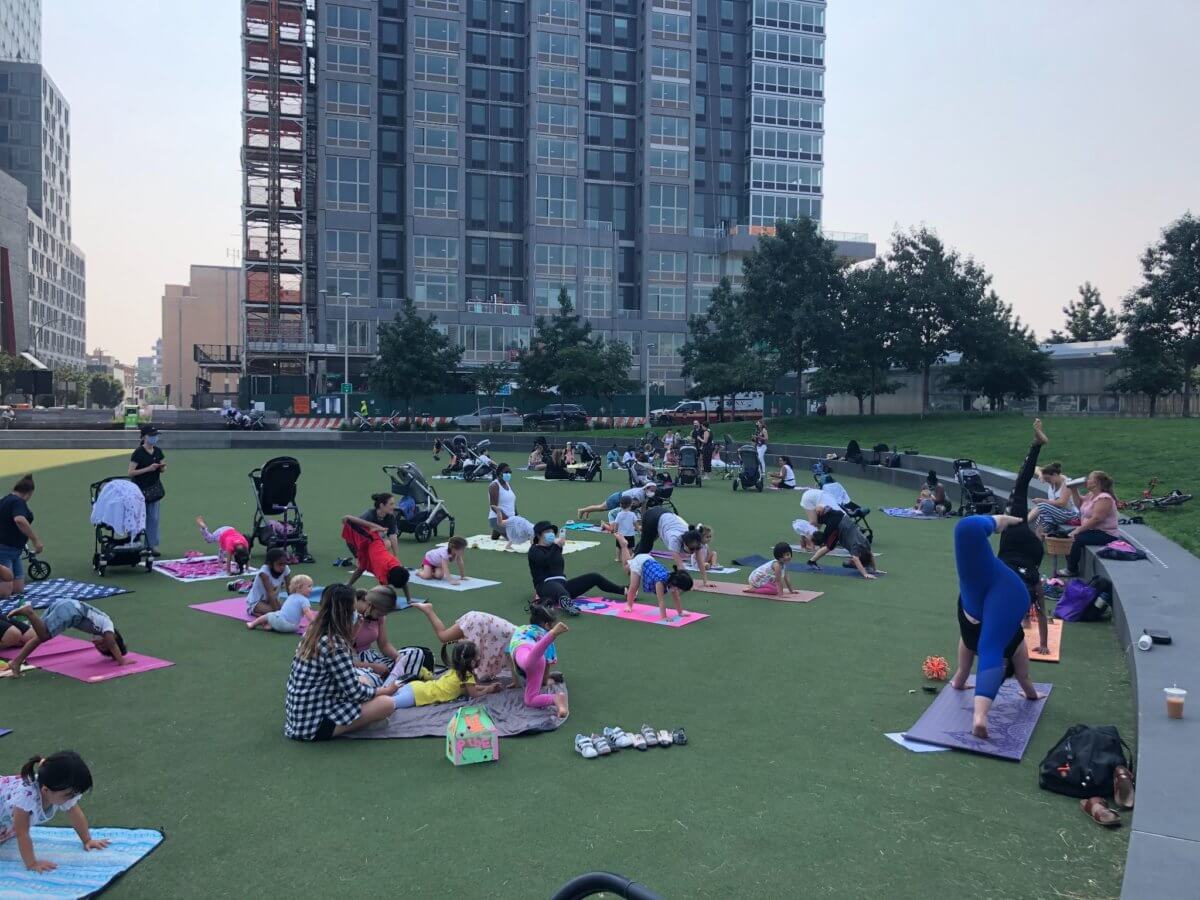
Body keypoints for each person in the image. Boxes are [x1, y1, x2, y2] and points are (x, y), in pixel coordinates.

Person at [950, 515, 1047, 739]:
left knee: (989, 646)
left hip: (1000, 596)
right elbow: (1023, 678)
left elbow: (962, 673)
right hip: (1006, 588)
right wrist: (1032, 695)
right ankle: (1004, 520)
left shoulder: (971, 641)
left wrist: (958, 684)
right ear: (1007, 665)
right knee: (967, 528)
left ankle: (980, 718)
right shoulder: (1015, 644)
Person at [283, 583, 400, 741]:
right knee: (386, 703)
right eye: (353, 609)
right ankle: (361, 723)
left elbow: (343, 674)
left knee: (365, 680)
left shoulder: (314, 631)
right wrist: (386, 691)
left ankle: (361, 720)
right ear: (344, 612)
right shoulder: (334, 645)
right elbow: (355, 692)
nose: (357, 613)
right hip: (314, 725)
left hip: (300, 716)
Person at [0, 751, 109, 873]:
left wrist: (87, 840)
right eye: (69, 795)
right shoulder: (25, 799)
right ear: (45, 790)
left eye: (75, 794)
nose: (72, 798)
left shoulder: (62, 792)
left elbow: (75, 814)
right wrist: (32, 863)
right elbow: (22, 833)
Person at [996, 419, 1051, 654]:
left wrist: (1044, 644)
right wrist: (1044, 646)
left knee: (1020, 488)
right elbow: (1041, 613)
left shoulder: (1031, 585)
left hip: (1032, 550)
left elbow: (1041, 613)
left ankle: (1037, 445)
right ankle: (1036, 445)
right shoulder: (1009, 586)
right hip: (1014, 542)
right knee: (1019, 487)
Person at [3, 598, 131, 678]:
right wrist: (121, 661)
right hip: (71, 611)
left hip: (66, 604)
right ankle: (29, 612)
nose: (96, 644)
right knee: (44, 635)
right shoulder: (108, 625)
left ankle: (16, 662)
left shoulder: (100, 629)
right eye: (102, 645)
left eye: (98, 647)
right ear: (114, 636)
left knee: (39, 637)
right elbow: (112, 643)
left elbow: (111, 643)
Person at [527, 521, 626, 613]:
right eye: (548, 532)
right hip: (545, 585)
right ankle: (567, 605)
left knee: (594, 577)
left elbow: (555, 563)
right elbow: (544, 561)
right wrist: (557, 546)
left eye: (552, 531)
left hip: (563, 584)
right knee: (560, 591)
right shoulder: (534, 550)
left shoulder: (555, 547)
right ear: (539, 535)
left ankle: (624, 590)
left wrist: (557, 546)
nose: (552, 534)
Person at [410, 603, 517, 682]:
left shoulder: (517, 638)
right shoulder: (518, 643)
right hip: (477, 623)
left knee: (444, 636)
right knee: (472, 657)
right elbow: (476, 658)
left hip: (476, 619)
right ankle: (428, 610)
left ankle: (428, 610)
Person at [391, 640, 501, 709]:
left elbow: (471, 687)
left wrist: (486, 687)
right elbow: (474, 694)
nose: (479, 659)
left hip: (415, 687)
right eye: (477, 657)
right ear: (471, 661)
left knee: (382, 698)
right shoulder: (467, 676)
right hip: (417, 696)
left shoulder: (456, 671)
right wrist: (488, 690)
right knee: (387, 705)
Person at [507, 614, 570, 717]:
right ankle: (556, 698)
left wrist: (515, 680)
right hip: (537, 660)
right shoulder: (540, 633)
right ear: (546, 625)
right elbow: (547, 663)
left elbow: (509, 653)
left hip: (527, 655)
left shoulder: (522, 628)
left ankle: (553, 634)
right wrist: (544, 681)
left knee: (528, 662)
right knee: (529, 700)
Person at [340, 514, 413, 603]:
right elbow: (386, 592)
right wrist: (393, 604)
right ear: (389, 576)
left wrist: (409, 600)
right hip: (370, 540)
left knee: (361, 568)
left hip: (374, 551)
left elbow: (404, 583)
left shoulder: (397, 565)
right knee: (348, 521)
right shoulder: (383, 572)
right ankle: (351, 518)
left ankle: (348, 584)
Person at [1060, 470, 1120, 577]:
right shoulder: (1091, 495)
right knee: (1063, 534)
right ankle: (1071, 566)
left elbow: (1096, 519)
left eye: (1090, 478)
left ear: (1096, 482)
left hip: (1106, 534)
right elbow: (1079, 505)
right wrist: (1074, 490)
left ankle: (1072, 569)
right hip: (1093, 530)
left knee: (1074, 538)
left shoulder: (1104, 498)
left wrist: (1077, 530)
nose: (1087, 481)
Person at [631, 507, 707, 581]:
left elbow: (700, 561)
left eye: (696, 549)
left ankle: (635, 553)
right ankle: (631, 565)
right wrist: (688, 584)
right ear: (684, 543)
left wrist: (705, 582)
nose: (694, 551)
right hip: (652, 517)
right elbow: (680, 566)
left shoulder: (696, 539)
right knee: (646, 547)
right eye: (691, 549)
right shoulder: (675, 540)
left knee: (648, 540)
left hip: (665, 515)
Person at [0, 475, 42, 599]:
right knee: (4, 593)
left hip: (14, 550)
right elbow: (19, 520)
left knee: (17, 589)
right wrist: (36, 540)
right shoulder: (18, 502)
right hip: (4, 550)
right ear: (29, 493)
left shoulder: (5, 500)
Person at [809, 504, 877, 579]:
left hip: (842, 516)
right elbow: (856, 559)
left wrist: (875, 570)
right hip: (837, 525)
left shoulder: (866, 543)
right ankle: (812, 557)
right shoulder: (856, 547)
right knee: (823, 540)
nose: (850, 560)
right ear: (860, 556)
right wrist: (865, 574)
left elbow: (870, 554)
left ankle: (812, 561)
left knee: (830, 546)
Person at [128, 424, 165, 557]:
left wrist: (161, 468)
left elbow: (162, 466)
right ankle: (135, 543)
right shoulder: (138, 452)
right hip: (139, 490)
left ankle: (151, 546)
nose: (154, 438)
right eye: (151, 436)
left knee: (153, 518)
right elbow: (131, 472)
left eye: (155, 436)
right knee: (137, 517)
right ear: (144, 437)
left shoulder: (158, 451)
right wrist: (148, 469)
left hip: (154, 489)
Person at [624, 553, 693, 620]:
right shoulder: (660, 582)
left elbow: (676, 597)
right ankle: (629, 605)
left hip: (649, 560)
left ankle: (628, 565)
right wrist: (664, 617)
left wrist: (680, 612)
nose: (678, 591)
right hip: (639, 562)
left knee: (675, 593)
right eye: (680, 589)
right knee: (634, 586)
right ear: (676, 584)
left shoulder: (674, 581)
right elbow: (661, 600)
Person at [247, 573, 315, 633]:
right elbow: (308, 614)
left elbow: (285, 611)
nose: (311, 589)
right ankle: (271, 625)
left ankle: (253, 624)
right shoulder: (304, 600)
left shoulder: (291, 596)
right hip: (292, 628)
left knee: (269, 615)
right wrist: (315, 624)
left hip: (284, 624)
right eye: (309, 586)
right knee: (274, 616)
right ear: (299, 587)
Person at [1030, 461, 1079, 534]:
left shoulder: (1067, 483)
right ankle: (1038, 542)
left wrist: (1042, 500)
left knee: (1041, 506)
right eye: (1045, 479)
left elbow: (1062, 503)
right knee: (1041, 518)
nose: (1046, 481)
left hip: (1071, 515)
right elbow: (1035, 468)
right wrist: (1041, 475)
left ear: (1055, 475)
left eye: (1048, 478)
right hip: (1057, 512)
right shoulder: (1052, 480)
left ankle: (1022, 522)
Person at [245, 547, 291, 618]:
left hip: (273, 599)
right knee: (277, 613)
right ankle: (252, 610)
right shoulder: (264, 573)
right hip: (257, 601)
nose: (283, 567)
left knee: (286, 611)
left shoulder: (286, 569)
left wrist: (294, 605)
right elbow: (270, 593)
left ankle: (266, 614)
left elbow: (290, 588)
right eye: (280, 564)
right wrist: (278, 614)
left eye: (285, 564)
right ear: (270, 564)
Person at [576, 482, 655, 520]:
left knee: (600, 508)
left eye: (654, 490)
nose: (653, 492)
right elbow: (632, 506)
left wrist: (643, 519)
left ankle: (587, 511)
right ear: (646, 488)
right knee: (601, 508)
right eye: (652, 490)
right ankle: (582, 510)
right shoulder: (639, 493)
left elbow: (643, 508)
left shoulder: (646, 496)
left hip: (622, 500)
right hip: (617, 498)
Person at [360, 493, 401, 559]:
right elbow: (355, 534)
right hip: (361, 543)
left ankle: (374, 559)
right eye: (391, 504)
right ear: (382, 505)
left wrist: (396, 558)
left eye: (393, 504)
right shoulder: (369, 515)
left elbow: (393, 537)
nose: (394, 507)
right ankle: (362, 558)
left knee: (387, 543)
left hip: (374, 542)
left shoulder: (390, 517)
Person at [602, 494, 639, 567]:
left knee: (618, 546)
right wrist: (638, 530)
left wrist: (615, 531)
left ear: (620, 505)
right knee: (630, 547)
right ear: (631, 504)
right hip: (630, 534)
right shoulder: (632, 514)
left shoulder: (619, 514)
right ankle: (630, 558)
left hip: (621, 534)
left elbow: (616, 524)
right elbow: (635, 524)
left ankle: (617, 558)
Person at [488, 463, 518, 539]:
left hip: (510, 519)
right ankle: (498, 527)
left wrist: (517, 516)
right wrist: (508, 520)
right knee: (516, 538)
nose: (508, 474)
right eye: (506, 472)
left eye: (510, 472)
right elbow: (493, 507)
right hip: (497, 519)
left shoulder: (508, 484)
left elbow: (512, 502)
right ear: (499, 473)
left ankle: (498, 530)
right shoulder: (494, 486)